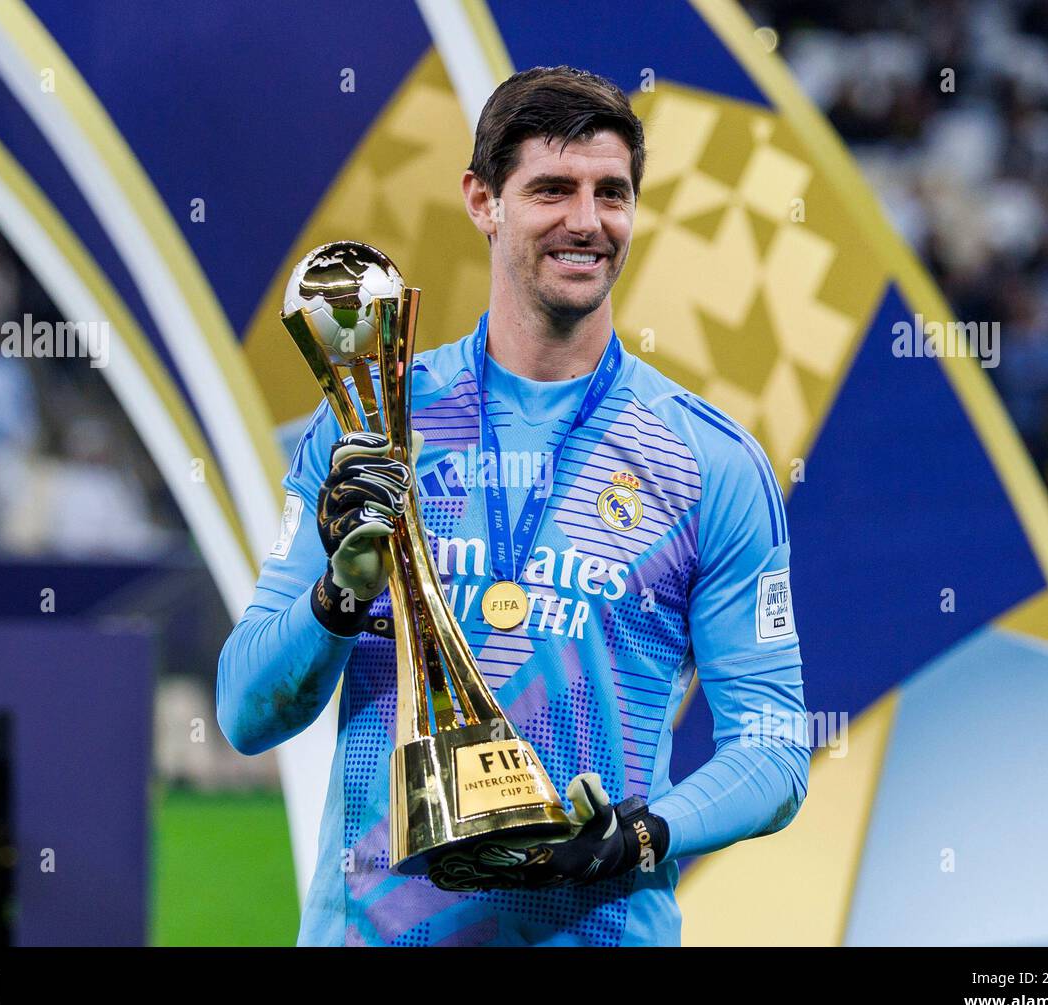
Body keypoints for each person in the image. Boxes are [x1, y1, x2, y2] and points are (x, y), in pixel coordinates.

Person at [217, 65, 809, 946]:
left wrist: (651, 832)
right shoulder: (374, 427)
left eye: (612, 193)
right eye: (551, 189)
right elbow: (245, 712)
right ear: (482, 201)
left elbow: (773, 746)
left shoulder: (710, 464)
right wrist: (339, 594)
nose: (587, 220)